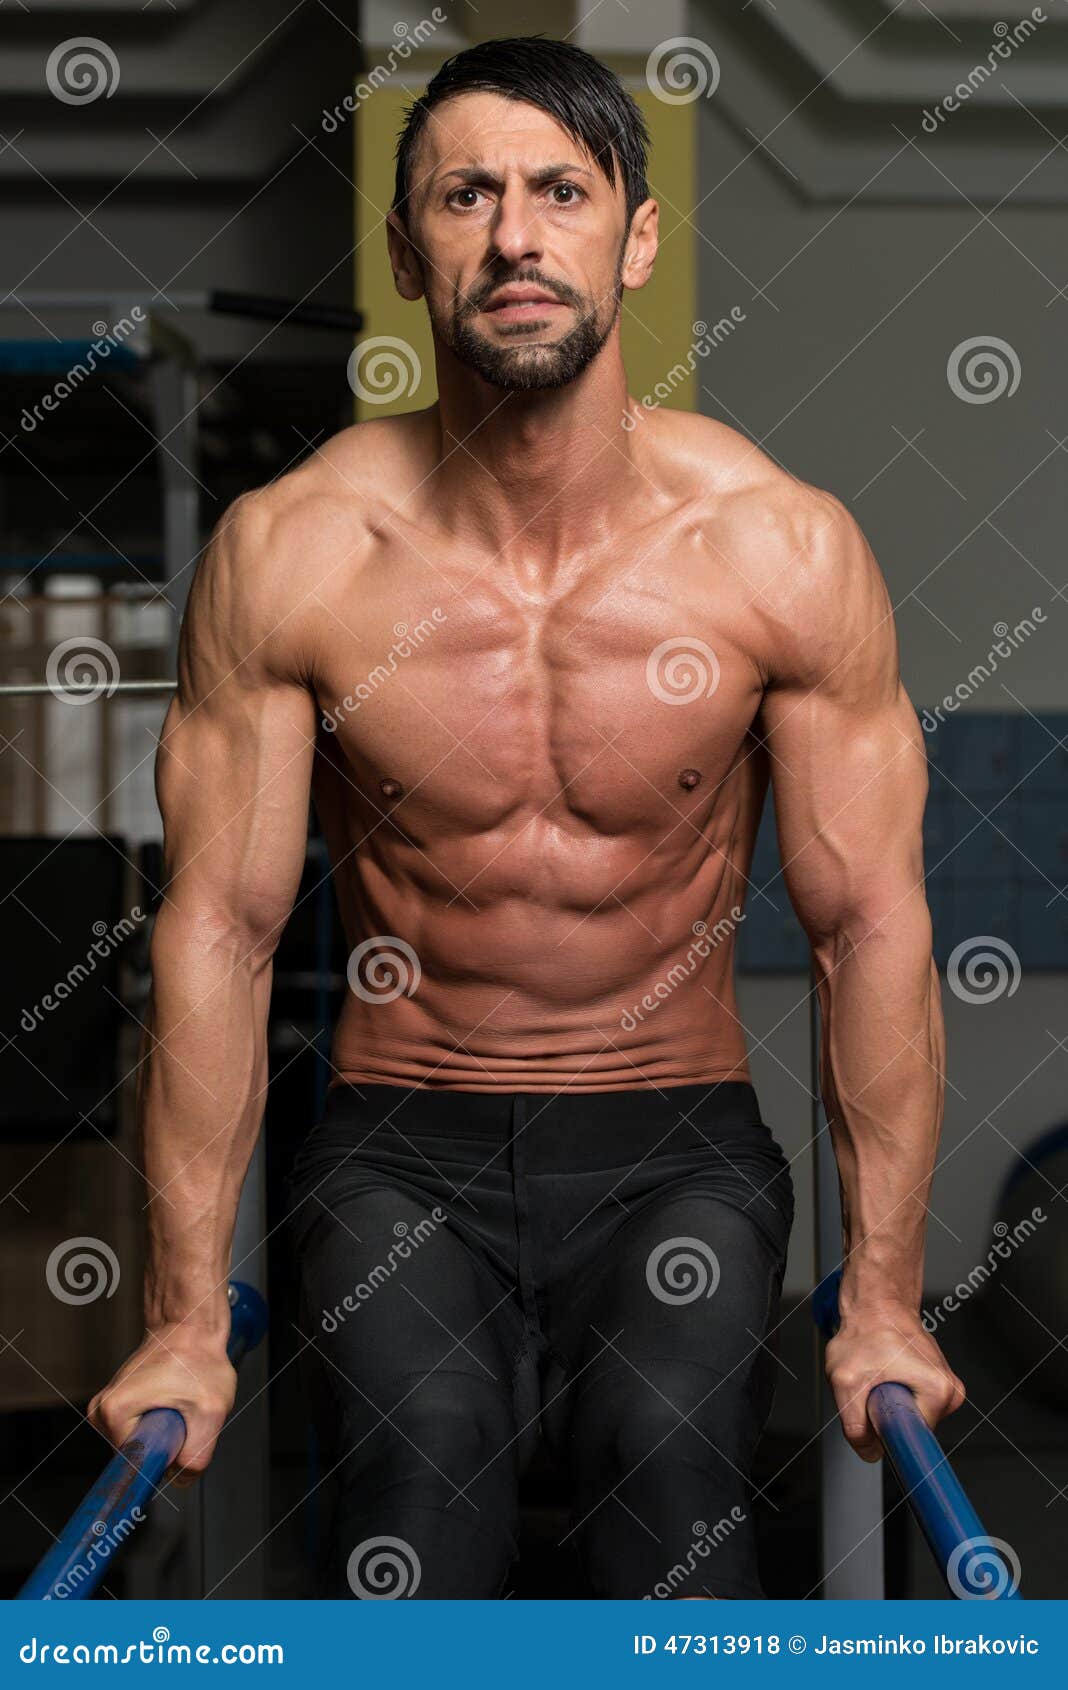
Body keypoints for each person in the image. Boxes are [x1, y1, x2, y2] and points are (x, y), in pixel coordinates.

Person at [91, 36, 964, 1599]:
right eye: (467, 195)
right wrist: (176, 1312)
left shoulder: (779, 551)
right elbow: (218, 925)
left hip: (674, 1142)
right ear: (409, 248)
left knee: (670, 1464)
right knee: (416, 1489)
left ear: (634, 237)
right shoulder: (294, 552)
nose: (514, 235)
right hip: (396, 1149)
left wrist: (885, 1293)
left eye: (562, 191)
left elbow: (871, 921)